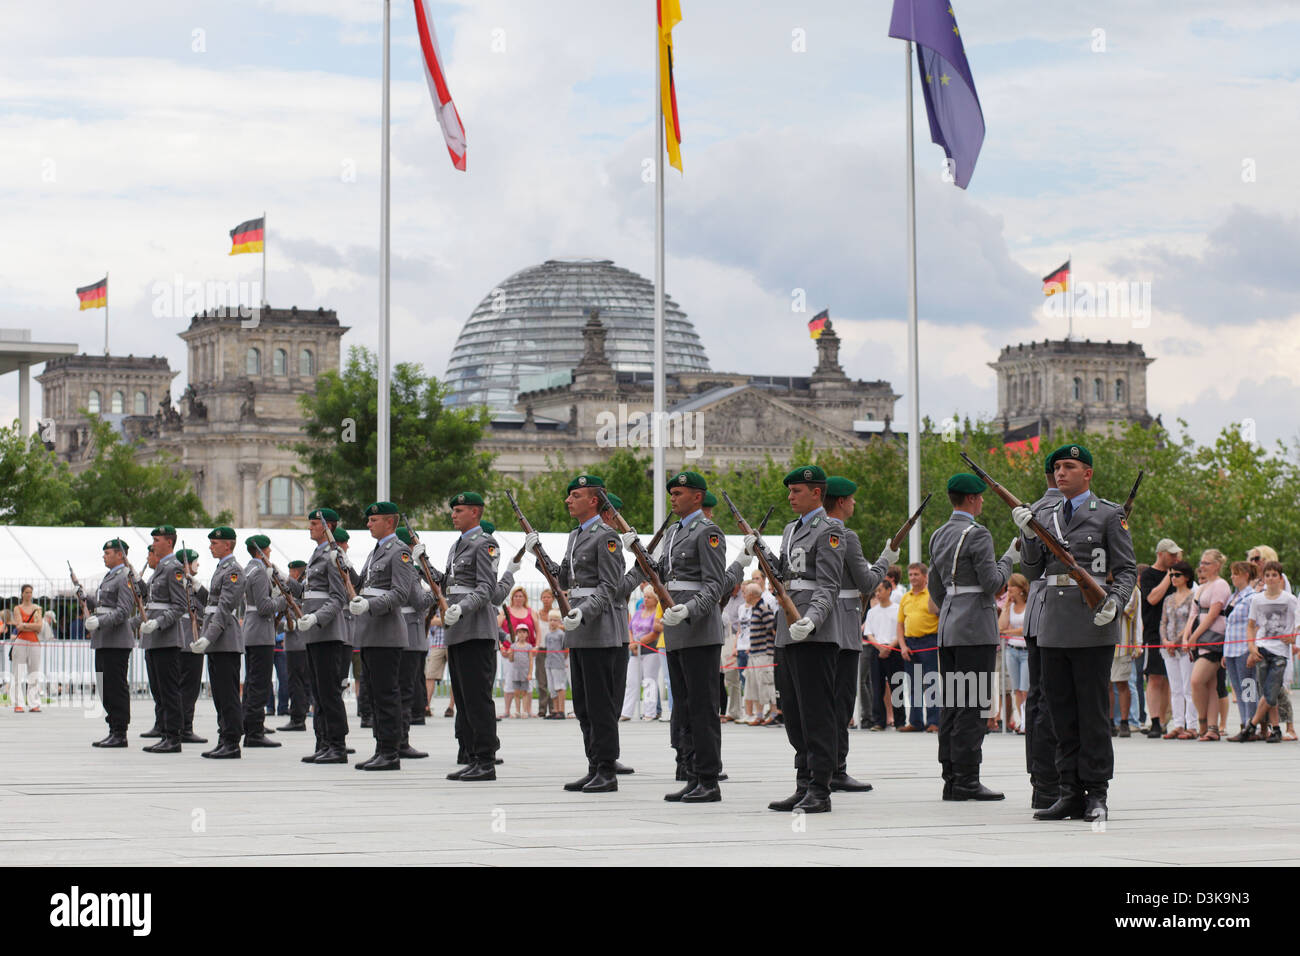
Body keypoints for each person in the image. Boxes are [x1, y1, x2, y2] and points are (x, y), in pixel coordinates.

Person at [1016, 443, 1136, 823]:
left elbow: (1127, 570)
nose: (1060, 473)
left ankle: (1096, 792)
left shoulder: (1108, 515)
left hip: (1092, 622)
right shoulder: (1046, 514)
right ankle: (1069, 791)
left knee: (1093, 713)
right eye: (1057, 468)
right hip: (1053, 626)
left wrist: (1114, 602)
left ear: (1088, 473)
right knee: (1059, 713)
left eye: (1069, 466)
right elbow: (1034, 570)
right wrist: (1028, 536)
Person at [736, 464, 845, 814]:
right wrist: (761, 551)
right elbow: (783, 574)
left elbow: (828, 586)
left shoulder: (830, 529)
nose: (790, 496)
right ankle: (803, 782)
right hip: (788, 631)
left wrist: (811, 620)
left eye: (796, 491)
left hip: (814, 632)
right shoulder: (791, 529)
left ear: (817, 493)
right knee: (795, 713)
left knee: (817, 714)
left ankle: (821, 789)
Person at [625, 470, 728, 802]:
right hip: (675, 629)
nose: (673, 497)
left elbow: (715, 585)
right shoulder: (672, 533)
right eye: (671, 493)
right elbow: (663, 573)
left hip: (698, 628)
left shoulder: (708, 531)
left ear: (697, 497)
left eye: (679, 493)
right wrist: (640, 553)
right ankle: (692, 772)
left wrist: (690, 609)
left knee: (703, 706)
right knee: (684, 705)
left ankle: (709, 779)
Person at [928, 472, 1015, 801]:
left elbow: (937, 588)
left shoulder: (938, 534)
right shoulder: (978, 535)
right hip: (975, 627)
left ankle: (951, 776)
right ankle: (967, 778)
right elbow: (993, 583)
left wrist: (952, 604)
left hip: (949, 625)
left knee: (952, 703)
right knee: (974, 704)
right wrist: (1009, 558)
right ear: (973, 499)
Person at [538, 474, 626, 794]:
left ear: (593, 500)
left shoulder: (606, 536)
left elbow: (610, 587)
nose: (568, 500)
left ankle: (606, 769)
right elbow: (564, 579)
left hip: (599, 629)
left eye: (575, 495)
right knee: (585, 704)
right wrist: (540, 556)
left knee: (601, 705)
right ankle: (593, 765)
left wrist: (582, 612)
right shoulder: (575, 536)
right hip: (578, 630)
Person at [823, 475, 895, 792]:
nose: (854, 504)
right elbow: (867, 583)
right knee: (840, 703)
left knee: (822, 703)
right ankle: (837, 769)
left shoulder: (807, 531)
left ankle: (820, 768)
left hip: (821, 627)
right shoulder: (845, 536)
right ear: (841, 501)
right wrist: (886, 559)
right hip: (844, 629)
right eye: (851, 499)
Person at [440, 492, 504, 781]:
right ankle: (468, 753)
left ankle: (485, 759)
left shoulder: (485, 543)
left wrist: (461, 608)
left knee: (478, 698)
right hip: (457, 630)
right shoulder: (457, 546)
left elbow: (486, 588)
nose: (454, 514)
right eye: (453, 510)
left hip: (476, 629)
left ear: (475, 513)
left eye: (460, 510)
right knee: (464, 699)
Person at [349, 500, 417, 771]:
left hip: (386, 633)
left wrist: (370, 605)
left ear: (389, 522)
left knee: (387, 694)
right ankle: (380, 747)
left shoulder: (399, 551)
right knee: (375, 695)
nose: (368, 524)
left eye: (373, 520)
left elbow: (401, 593)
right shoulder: (375, 552)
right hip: (370, 632)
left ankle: (390, 752)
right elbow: (364, 585)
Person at [294, 507, 353, 764]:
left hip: (328, 632)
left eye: (314, 524)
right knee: (318, 691)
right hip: (315, 634)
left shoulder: (333, 554)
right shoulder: (317, 554)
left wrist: (317, 618)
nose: (310, 527)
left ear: (327, 526)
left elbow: (339, 598)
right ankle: (323, 742)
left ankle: (337, 745)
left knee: (329, 692)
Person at [1021, 458, 1063, 808]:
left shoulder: (1033, 509)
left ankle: (1040, 780)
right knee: (1052, 700)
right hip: (1057, 613)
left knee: (1037, 700)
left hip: (1036, 614)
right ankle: (1051, 780)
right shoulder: (1058, 509)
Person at [188, 527, 246, 758]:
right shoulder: (221, 568)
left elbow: (224, 608)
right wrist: (197, 588)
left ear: (227, 545)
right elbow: (213, 603)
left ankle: (232, 742)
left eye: (215, 543)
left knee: (228, 694)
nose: (211, 547)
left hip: (225, 639)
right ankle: (224, 737)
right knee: (220, 694)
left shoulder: (234, 571)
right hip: (216, 639)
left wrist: (207, 637)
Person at [138, 525, 189, 752]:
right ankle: (165, 732)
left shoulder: (173, 567)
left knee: (169, 690)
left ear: (169, 542)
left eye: (156, 540)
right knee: (159, 689)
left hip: (167, 637)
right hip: (155, 638)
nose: (153, 544)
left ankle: (173, 736)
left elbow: (180, 606)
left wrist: (159, 622)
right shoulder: (160, 568)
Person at [83, 539, 138, 747]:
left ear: (120, 555)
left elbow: (124, 610)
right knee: (104, 686)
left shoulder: (124, 576)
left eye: (108, 553)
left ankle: (120, 731)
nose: (104, 556)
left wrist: (100, 621)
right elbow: (105, 605)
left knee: (116, 687)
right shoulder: (109, 576)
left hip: (116, 640)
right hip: (104, 639)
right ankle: (112, 727)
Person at [1240, 561, 1296, 743]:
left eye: (1274, 575)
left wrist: (1293, 636)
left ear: (1280, 578)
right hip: (1262, 648)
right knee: (1266, 691)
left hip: (1280, 652)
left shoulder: (1289, 599)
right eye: (1267, 575)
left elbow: (1297, 623)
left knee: (1271, 692)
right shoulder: (1257, 599)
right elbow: (1251, 625)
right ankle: (1276, 729)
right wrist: (1251, 647)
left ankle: (1250, 726)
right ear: (1263, 578)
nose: (1271, 578)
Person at [240, 535, 283, 750]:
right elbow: (265, 606)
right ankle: (254, 730)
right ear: (260, 552)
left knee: (252, 681)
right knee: (259, 683)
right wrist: (283, 600)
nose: (269, 555)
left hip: (253, 631)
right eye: (268, 551)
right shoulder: (258, 572)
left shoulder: (248, 569)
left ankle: (249, 725)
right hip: (260, 631)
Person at [1138, 539, 1183, 738]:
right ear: (1161, 554)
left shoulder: (1179, 576)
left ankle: (1164, 720)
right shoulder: (1149, 575)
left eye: (1177, 555)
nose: (1175, 558)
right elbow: (1152, 598)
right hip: (1154, 634)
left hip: (1175, 635)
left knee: (1168, 679)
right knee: (1154, 677)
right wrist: (1168, 576)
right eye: (1171, 554)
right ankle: (1154, 720)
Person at [1185, 549, 1229, 741]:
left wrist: (1194, 636)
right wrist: (1187, 637)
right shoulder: (1202, 587)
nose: (1202, 566)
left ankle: (1203, 722)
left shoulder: (1221, 585)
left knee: (1197, 680)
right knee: (1210, 684)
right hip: (1200, 638)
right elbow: (1193, 613)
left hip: (1214, 638)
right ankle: (1211, 728)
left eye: (1207, 563)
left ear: (1217, 565)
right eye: (1201, 562)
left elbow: (1213, 614)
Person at [897, 563, 941, 732]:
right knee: (913, 684)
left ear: (925, 577)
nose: (913, 577)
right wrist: (902, 646)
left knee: (930, 682)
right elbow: (900, 624)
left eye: (916, 574)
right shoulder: (905, 597)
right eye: (911, 574)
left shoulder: (932, 595)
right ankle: (915, 722)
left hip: (929, 641)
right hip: (910, 643)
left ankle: (934, 722)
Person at [1158, 560, 1198, 739]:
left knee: (1188, 686)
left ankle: (1192, 724)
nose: (1173, 578)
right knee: (1175, 688)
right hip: (1169, 648)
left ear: (1186, 577)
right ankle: (1178, 723)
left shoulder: (1193, 597)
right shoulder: (1168, 599)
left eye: (1177, 575)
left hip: (1184, 647)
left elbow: (1191, 621)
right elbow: (1163, 622)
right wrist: (1166, 641)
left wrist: (1176, 640)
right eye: (1171, 575)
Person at [1222, 561, 1258, 739]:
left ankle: (1252, 724)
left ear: (1245, 575)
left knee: (1248, 687)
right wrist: (1224, 651)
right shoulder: (1233, 596)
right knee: (1237, 687)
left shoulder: (1252, 597)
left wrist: (1253, 649)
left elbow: (1255, 624)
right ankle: (1244, 722)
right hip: (1231, 648)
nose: (1233, 577)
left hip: (1244, 648)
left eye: (1236, 574)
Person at [176, 548, 208, 745]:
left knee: (185, 688)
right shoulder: (184, 586)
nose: (198, 565)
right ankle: (185, 727)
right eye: (194, 561)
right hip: (190, 643)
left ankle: (180, 726)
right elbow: (206, 609)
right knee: (188, 688)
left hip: (184, 642)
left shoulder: (190, 586)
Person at [864, 581, 904, 731]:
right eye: (876, 591)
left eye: (880, 590)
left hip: (894, 650)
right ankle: (878, 721)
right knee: (877, 686)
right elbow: (868, 633)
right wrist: (879, 647)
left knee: (897, 686)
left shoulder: (898, 609)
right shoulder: (872, 612)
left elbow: (901, 630)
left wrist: (889, 647)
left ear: (889, 590)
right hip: (877, 650)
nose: (877, 594)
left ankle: (900, 721)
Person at [279, 560, 311, 732]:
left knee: (295, 682)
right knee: (302, 681)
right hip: (302, 641)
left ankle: (297, 718)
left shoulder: (298, 590)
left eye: (291, 572)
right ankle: (301, 714)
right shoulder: (304, 589)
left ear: (296, 574)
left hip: (296, 641)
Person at [623, 587, 663, 721]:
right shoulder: (639, 612)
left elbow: (654, 633)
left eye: (649, 597)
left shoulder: (655, 614)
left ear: (655, 599)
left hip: (650, 651)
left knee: (649, 682)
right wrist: (632, 643)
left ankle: (649, 712)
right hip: (635, 652)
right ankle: (626, 712)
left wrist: (639, 642)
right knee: (631, 682)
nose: (645, 599)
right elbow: (630, 628)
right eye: (644, 596)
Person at [997, 574, 1030, 734]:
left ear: (1021, 588)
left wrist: (1010, 631)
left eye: (1012, 586)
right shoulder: (1009, 606)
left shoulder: (1029, 604)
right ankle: (1022, 721)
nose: (1008, 589)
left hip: (1026, 651)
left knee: (1026, 689)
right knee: (1016, 689)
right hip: (1011, 650)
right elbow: (1001, 626)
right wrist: (1006, 607)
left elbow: (1025, 629)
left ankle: (1028, 720)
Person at [1110, 586, 1143, 738]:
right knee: (1106, 685)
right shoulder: (1102, 582)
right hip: (1103, 644)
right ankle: (1109, 721)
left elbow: (1126, 609)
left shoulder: (1131, 588)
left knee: (1122, 683)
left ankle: (1125, 722)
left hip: (1123, 643)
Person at [742, 583, 777, 724]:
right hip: (755, 653)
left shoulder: (763, 608)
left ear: (752, 595)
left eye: (745, 593)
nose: (744, 596)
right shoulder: (755, 609)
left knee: (766, 684)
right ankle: (760, 714)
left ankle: (774, 712)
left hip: (764, 653)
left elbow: (772, 630)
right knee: (754, 686)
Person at [10, 584, 43, 712]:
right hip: (21, 642)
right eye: (26, 592)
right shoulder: (17, 608)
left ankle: (33, 703)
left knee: (34, 673)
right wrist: (30, 625)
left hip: (34, 642)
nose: (29, 595)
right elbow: (19, 626)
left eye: (30, 592)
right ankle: (18, 703)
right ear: (22, 594)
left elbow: (39, 627)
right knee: (18, 672)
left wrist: (25, 625)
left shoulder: (37, 608)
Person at [543, 609, 568, 718]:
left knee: (559, 686)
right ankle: (555, 709)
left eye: (555, 620)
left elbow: (566, 649)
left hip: (558, 663)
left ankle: (561, 710)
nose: (552, 622)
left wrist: (562, 660)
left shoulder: (561, 634)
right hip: (548, 663)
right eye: (550, 620)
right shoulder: (547, 635)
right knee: (551, 687)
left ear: (559, 622)